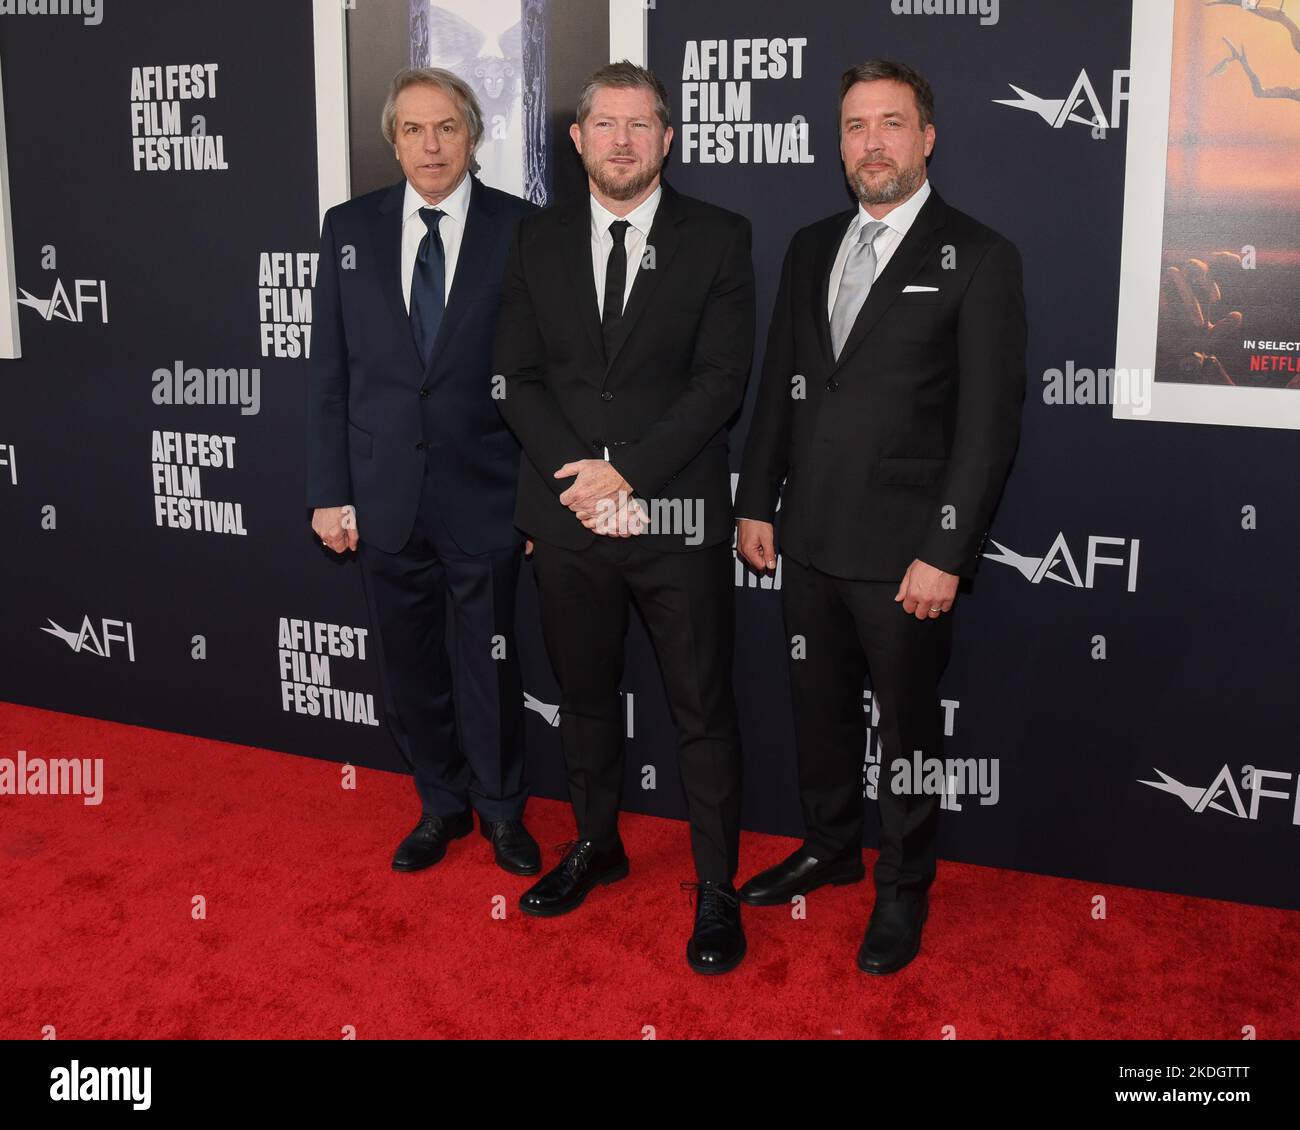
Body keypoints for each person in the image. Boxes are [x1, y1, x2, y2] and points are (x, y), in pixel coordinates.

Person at [734, 59, 1027, 974]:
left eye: (891, 123)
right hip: (809, 543)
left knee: (906, 734)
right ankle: (830, 849)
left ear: (926, 138)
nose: (872, 142)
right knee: (816, 714)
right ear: (840, 141)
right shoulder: (811, 244)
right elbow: (780, 390)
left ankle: (904, 887)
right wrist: (754, 500)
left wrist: (947, 552)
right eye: (856, 125)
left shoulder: (978, 256)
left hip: (905, 558)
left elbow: (987, 429)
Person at [493, 61, 756, 974]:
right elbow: (516, 377)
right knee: (584, 699)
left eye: (640, 125)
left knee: (701, 710)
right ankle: (597, 846)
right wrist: (582, 481)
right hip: (566, 514)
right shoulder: (533, 241)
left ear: (667, 138)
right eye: (604, 124)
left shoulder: (721, 238)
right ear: (577, 138)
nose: (620, 141)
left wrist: (626, 473)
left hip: (674, 513)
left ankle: (717, 888)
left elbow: (721, 382)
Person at [307, 68, 540, 878]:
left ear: (473, 135)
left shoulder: (524, 230)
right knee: (409, 667)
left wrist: (539, 500)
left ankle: (504, 810)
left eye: (446, 128)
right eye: (414, 130)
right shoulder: (348, 230)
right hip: (383, 498)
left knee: (491, 665)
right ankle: (441, 805)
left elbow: (548, 377)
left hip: (490, 493)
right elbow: (330, 375)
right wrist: (330, 490)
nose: (431, 145)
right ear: (393, 141)